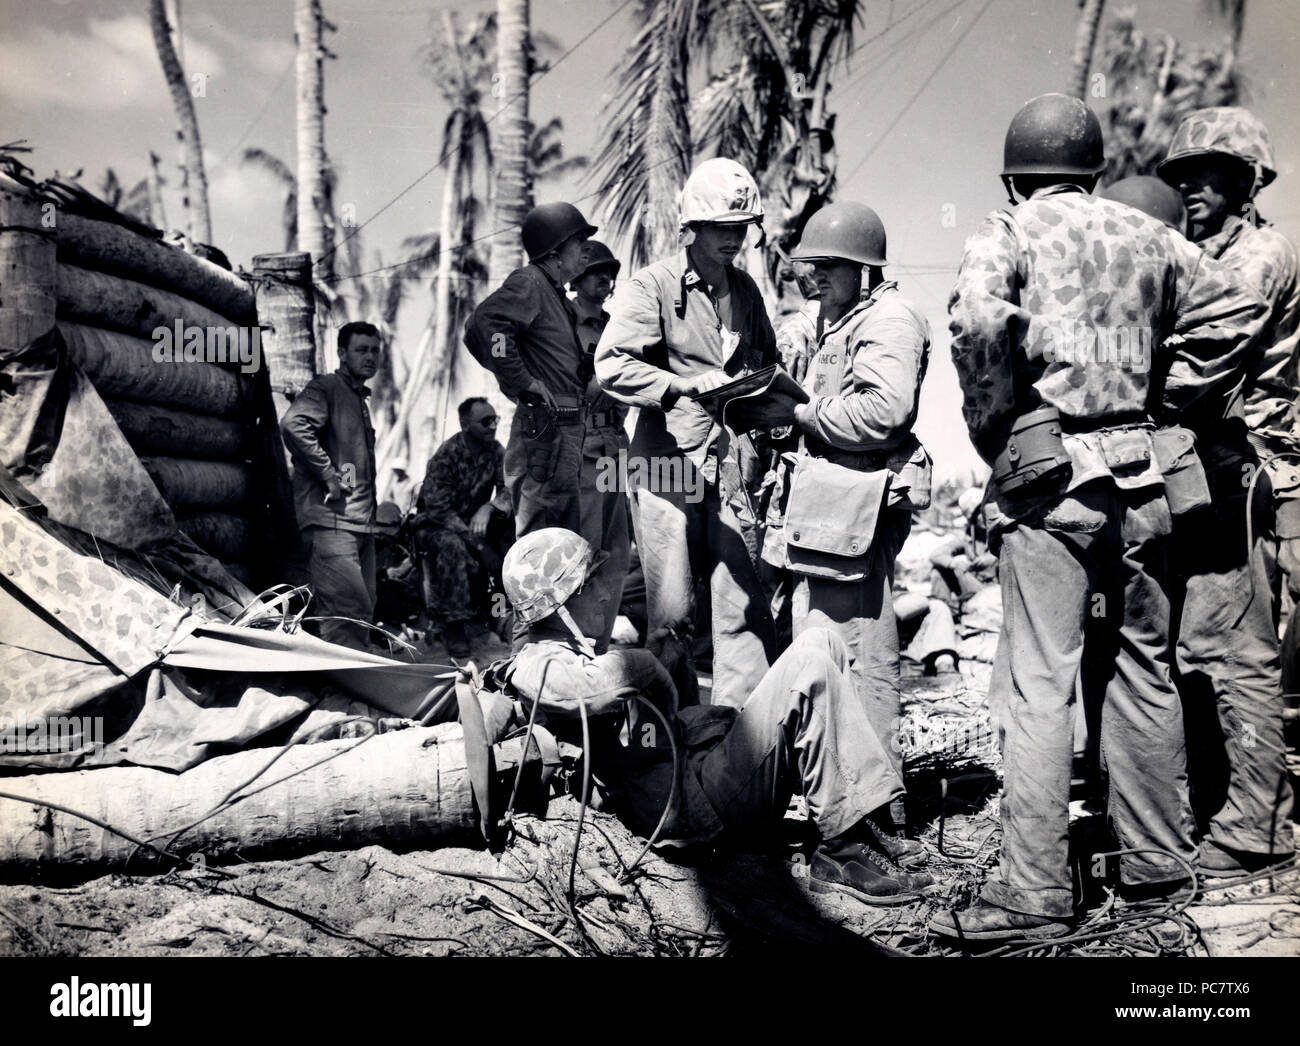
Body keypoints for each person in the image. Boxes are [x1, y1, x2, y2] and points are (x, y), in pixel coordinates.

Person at [932, 93, 1268, 942]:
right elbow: (1236, 311)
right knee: (1143, 671)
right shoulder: (1149, 235)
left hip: (1052, 488)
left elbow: (976, 323)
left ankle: (1035, 894)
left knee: (1040, 683)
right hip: (1143, 482)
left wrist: (1001, 427)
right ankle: (1159, 864)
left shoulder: (1006, 233)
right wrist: (1169, 399)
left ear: (1016, 177)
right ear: (1091, 170)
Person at [499, 527, 934, 904]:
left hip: (699, 778)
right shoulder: (535, 664)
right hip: (696, 811)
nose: (604, 590)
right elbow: (587, 689)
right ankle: (839, 855)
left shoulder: (572, 652)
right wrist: (647, 665)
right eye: (589, 583)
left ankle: (851, 821)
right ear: (560, 605)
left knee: (822, 642)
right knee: (810, 670)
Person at [1156, 107, 1299, 873]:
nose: (1190, 187)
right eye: (1182, 176)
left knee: (1234, 649)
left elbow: (1210, 353)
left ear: (1246, 181)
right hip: (1197, 467)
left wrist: (1123, 391)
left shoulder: (1262, 253)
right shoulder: (1195, 254)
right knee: (1191, 647)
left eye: (1207, 173)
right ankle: (1221, 804)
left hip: (1242, 467)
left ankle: (1259, 831)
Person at [764, 201, 932, 839]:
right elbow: (802, 341)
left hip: (857, 508)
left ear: (864, 271)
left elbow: (885, 411)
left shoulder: (890, 319)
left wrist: (800, 414)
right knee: (828, 652)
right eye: (810, 268)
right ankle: (844, 800)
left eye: (828, 269)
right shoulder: (836, 316)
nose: (814, 280)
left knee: (861, 658)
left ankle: (874, 818)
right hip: (827, 507)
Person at [594, 158, 779, 708]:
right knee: (672, 616)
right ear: (692, 229)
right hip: (665, 462)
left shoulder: (745, 290)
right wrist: (682, 386)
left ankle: (743, 736)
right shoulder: (651, 285)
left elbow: (763, 359)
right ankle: (668, 740)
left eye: (741, 228)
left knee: (741, 604)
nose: (734, 239)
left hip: (730, 465)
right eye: (723, 227)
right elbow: (612, 365)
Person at [465, 201, 597, 542]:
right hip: (546, 428)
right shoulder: (531, 282)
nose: (586, 248)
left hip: (565, 427)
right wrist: (521, 380)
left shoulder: (554, 295)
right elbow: (485, 325)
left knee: (563, 543)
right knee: (541, 542)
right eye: (578, 240)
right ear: (554, 249)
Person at [281, 321, 383, 650]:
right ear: (341, 353)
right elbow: (294, 424)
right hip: (333, 523)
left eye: (375, 350)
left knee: (362, 612)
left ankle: (354, 694)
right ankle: (342, 699)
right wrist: (327, 473)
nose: (370, 357)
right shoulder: (326, 388)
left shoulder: (358, 399)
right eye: (361, 350)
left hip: (360, 525)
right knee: (345, 616)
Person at [413, 397, 513, 657]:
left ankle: (499, 614)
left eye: (495, 419)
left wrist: (489, 507)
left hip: (474, 522)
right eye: (485, 421)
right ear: (466, 425)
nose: (493, 426)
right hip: (435, 525)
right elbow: (437, 509)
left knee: (512, 534)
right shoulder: (447, 455)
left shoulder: (496, 451)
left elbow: (509, 490)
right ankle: (453, 624)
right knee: (453, 547)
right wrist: (477, 543)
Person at [570, 239, 632, 654]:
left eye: (609, 272)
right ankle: (571, 645)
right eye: (596, 271)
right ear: (577, 277)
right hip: (581, 451)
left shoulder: (617, 327)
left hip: (614, 448)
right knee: (581, 553)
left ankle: (599, 645)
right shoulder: (564, 322)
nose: (605, 279)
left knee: (615, 554)